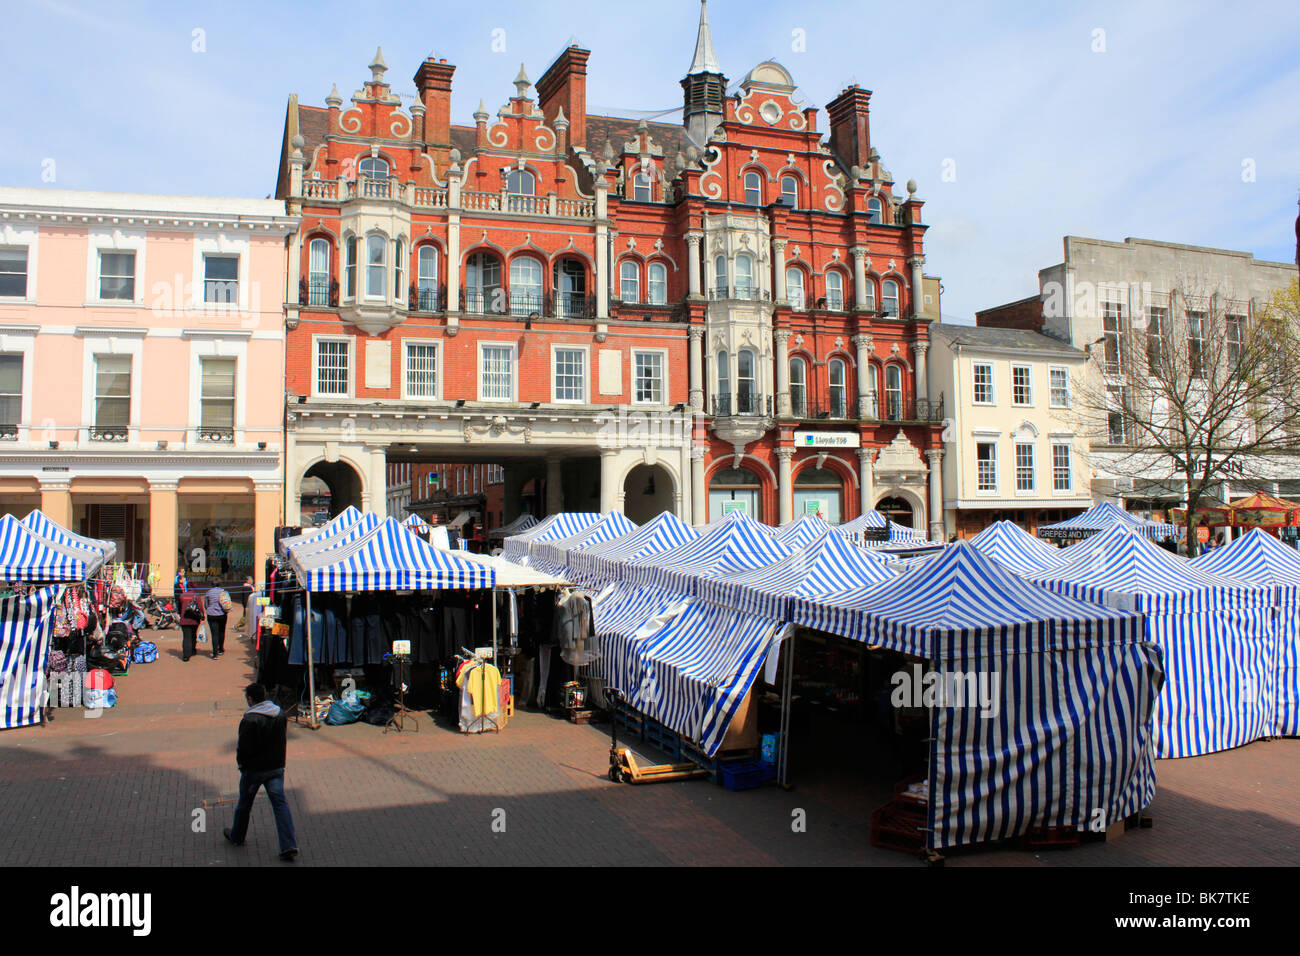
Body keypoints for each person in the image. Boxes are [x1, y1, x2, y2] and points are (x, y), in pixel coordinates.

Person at [223, 684, 298, 861]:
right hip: (276, 767)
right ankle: (288, 844)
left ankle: (237, 836)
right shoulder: (279, 714)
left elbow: (244, 747)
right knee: (280, 805)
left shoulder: (249, 719)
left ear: (250, 699)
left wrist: (242, 765)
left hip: (254, 770)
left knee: (244, 804)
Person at [205, 584, 232, 658]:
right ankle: (221, 649)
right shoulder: (224, 592)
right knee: (222, 632)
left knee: (214, 634)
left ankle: (215, 653)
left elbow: (206, 605)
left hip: (211, 615)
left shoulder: (208, 593)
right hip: (222, 614)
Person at [178, 589, 205, 662]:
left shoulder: (182, 596)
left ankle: (186, 656)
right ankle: (192, 650)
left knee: (186, 637)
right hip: (194, 619)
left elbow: (179, 607)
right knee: (193, 635)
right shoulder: (197, 596)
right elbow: (200, 607)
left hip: (184, 619)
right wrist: (202, 617)